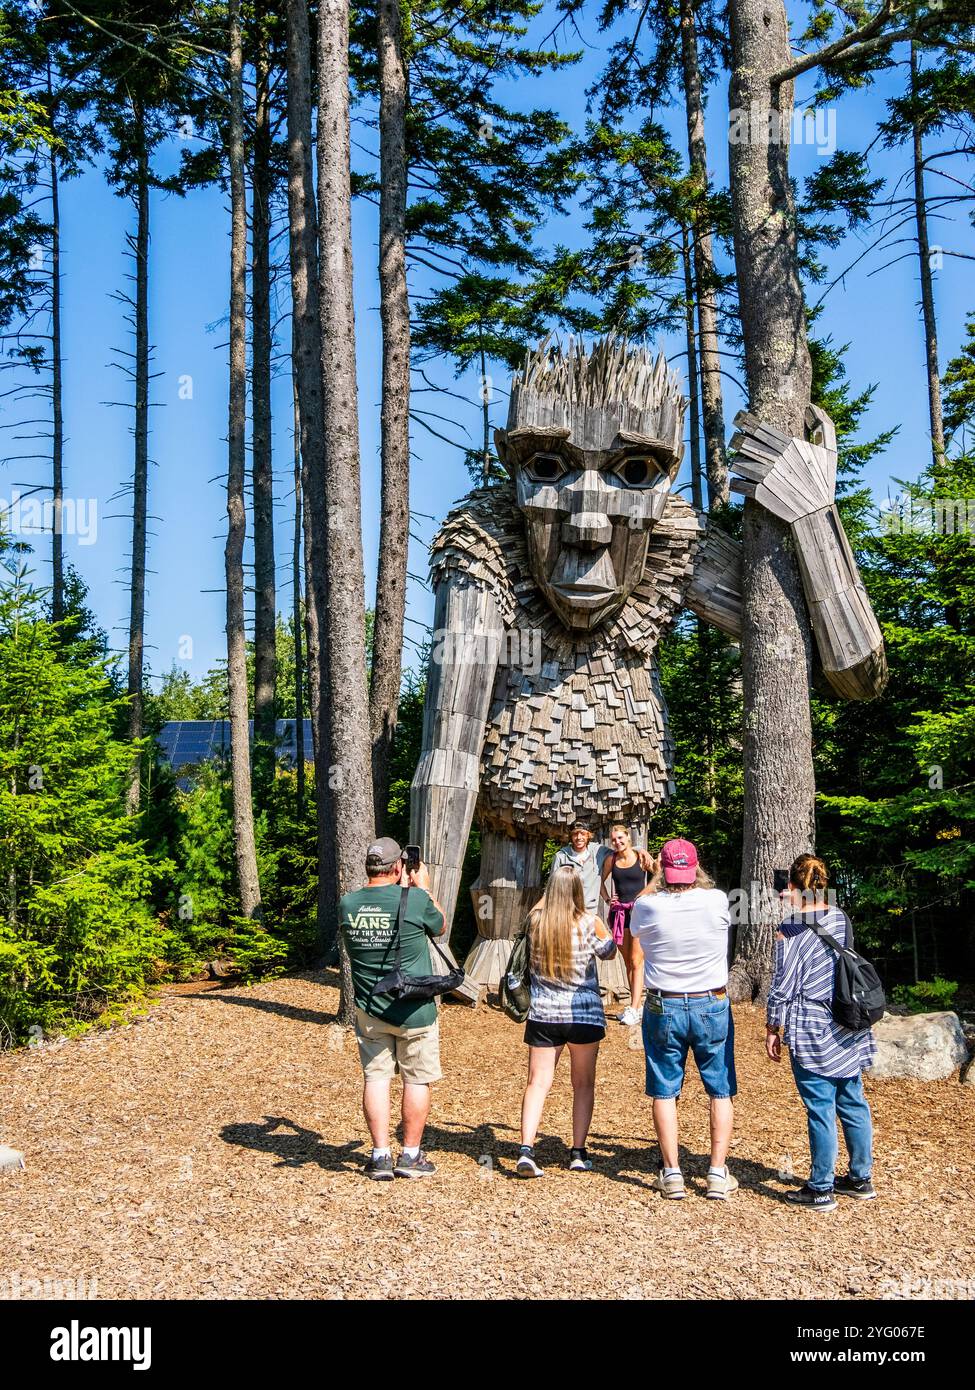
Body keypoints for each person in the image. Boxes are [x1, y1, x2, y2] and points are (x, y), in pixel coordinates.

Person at [766, 853, 877, 1212]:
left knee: (819, 1105)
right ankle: (860, 1178)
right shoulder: (839, 917)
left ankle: (821, 1187)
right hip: (847, 1018)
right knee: (852, 1099)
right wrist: (800, 900)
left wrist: (772, 1025)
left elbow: (783, 984)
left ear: (793, 886)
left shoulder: (790, 929)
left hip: (812, 1023)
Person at [628, 838, 737, 1200]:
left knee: (664, 1087)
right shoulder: (717, 900)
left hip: (665, 1004)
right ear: (696, 866)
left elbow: (633, 931)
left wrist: (655, 877)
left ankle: (672, 1172)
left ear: (662, 868)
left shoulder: (648, 906)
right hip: (712, 1002)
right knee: (719, 1088)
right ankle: (717, 1173)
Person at [338, 836, 448, 1181]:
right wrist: (424, 888)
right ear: (399, 866)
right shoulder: (415, 899)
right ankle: (411, 1156)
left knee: (376, 1078)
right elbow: (440, 926)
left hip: (371, 1007)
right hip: (414, 1009)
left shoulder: (348, 904)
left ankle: (380, 1154)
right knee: (417, 1079)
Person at [517, 865, 618, 1178]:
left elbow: (529, 922)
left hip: (544, 1013)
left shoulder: (535, 922)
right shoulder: (590, 922)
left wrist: (544, 899)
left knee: (537, 1082)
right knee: (583, 1083)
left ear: (549, 890)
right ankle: (577, 1151)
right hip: (583, 1014)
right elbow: (611, 952)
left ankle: (526, 1149)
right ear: (578, 891)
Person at [600, 824, 650, 1025]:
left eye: (620, 838)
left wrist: (644, 896)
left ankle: (636, 1007)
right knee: (628, 962)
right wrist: (607, 899)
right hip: (619, 915)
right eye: (614, 839)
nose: (617, 842)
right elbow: (600, 882)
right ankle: (634, 1006)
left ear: (628, 838)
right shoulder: (611, 860)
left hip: (638, 913)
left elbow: (658, 876)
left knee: (637, 961)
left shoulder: (641, 857)